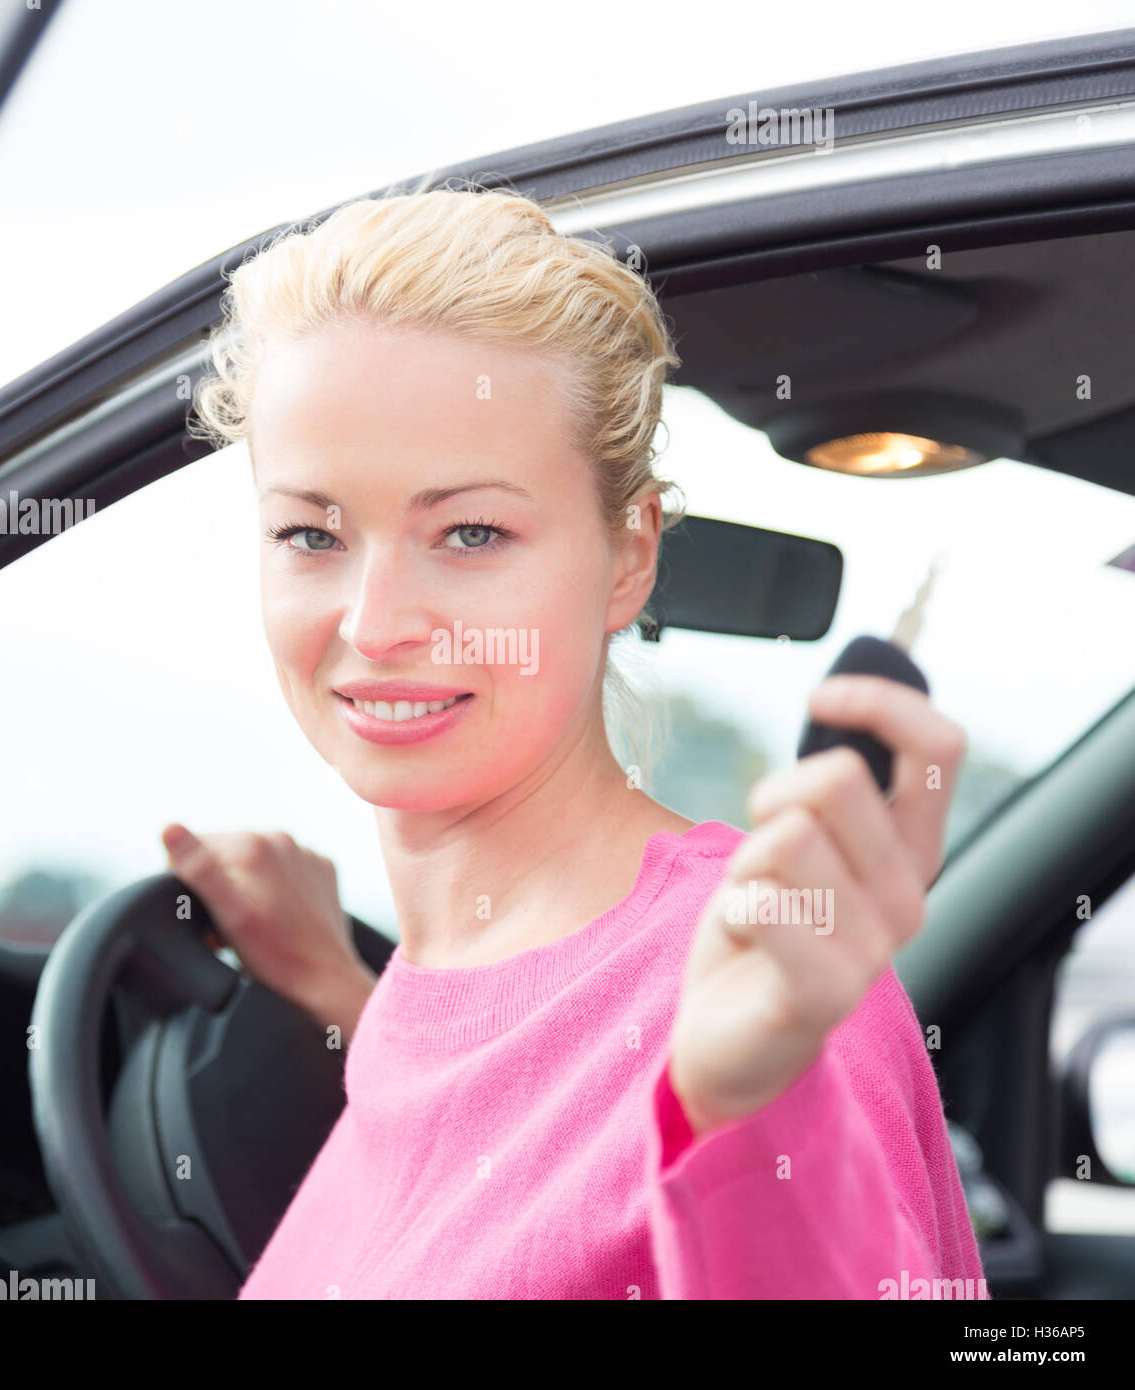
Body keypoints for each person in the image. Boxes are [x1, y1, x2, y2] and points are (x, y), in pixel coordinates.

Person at [160, 183, 985, 1300]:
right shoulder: (423, 985)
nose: (375, 622)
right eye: (311, 532)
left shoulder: (757, 982)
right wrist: (338, 987)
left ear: (631, 555)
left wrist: (746, 1109)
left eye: (470, 532)